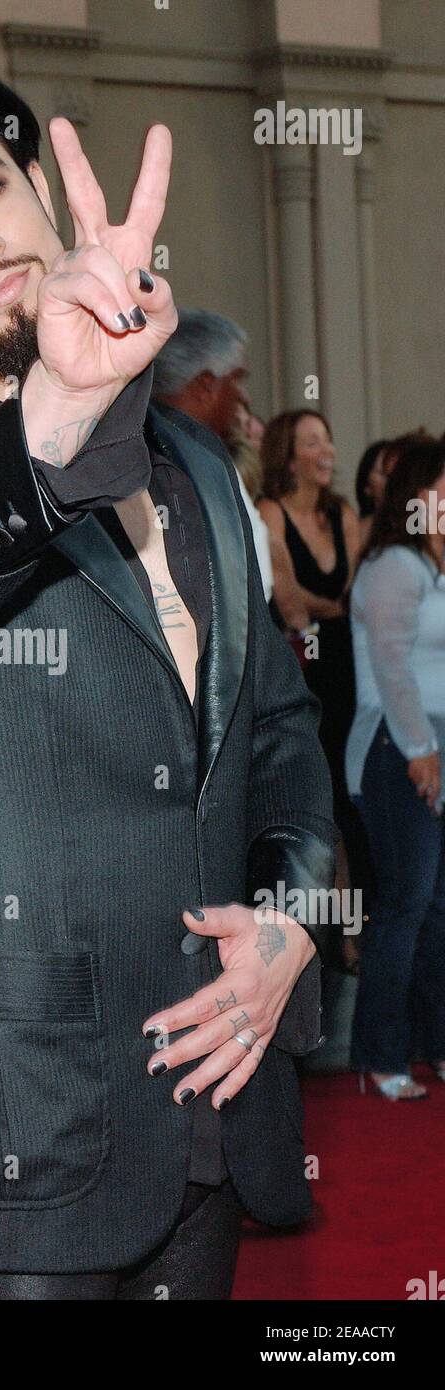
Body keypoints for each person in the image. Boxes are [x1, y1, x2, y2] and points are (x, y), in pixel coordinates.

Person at [0, 56, 336, 1300]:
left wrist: (290, 920)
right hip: (13, 1131)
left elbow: (283, 734)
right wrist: (57, 420)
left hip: (215, 1093)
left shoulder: (194, 459)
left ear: (40, 187)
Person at [346, 438, 445, 1100]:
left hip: (431, 740)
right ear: (414, 497)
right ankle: (381, 1058)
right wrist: (420, 752)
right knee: (405, 905)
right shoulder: (394, 567)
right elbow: (391, 666)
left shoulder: (434, 568)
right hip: (395, 745)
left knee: (437, 907)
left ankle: (434, 1047)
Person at [258, 412, 368, 945]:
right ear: (288, 455)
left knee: (351, 791)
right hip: (302, 664)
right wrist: (329, 609)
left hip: (347, 663)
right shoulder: (270, 511)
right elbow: (289, 599)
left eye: (327, 439)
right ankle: (332, 933)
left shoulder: (341, 513)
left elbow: (351, 595)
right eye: (311, 442)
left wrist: (327, 608)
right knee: (319, 793)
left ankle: (353, 926)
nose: (326, 450)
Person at [149, 310, 310, 633]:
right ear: (206, 385)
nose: (244, 395)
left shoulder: (208, 457)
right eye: (237, 379)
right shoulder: (163, 464)